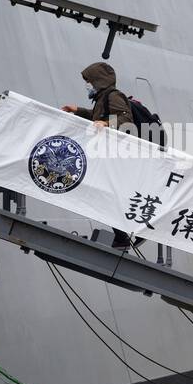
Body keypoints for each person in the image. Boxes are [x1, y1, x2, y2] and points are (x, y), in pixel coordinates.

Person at [61, 61, 135, 249]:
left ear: (99, 81)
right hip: (105, 154)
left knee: (109, 194)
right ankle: (122, 236)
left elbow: (126, 118)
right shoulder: (102, 98)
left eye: (90, 81)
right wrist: (77, 110)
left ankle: (123, 236)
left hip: (115, 156)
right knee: (106, 194)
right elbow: (96, 116)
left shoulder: (114, 96)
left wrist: (106, 124)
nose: (88, 85)